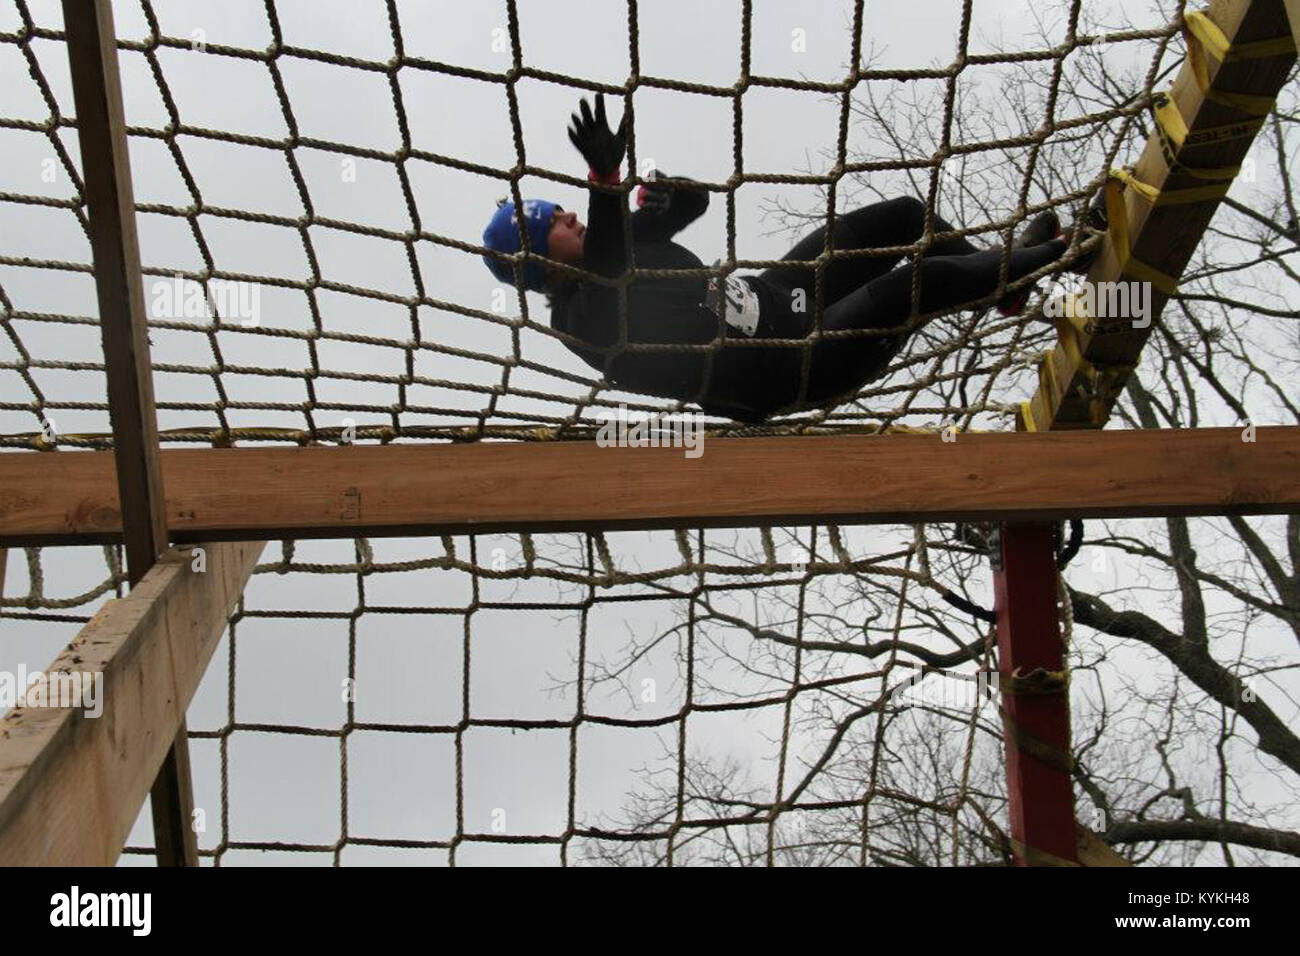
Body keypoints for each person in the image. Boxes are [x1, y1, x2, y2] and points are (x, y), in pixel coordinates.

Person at [481, 94, 1103, 423]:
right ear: (539, 263)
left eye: (563, 207)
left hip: (777, 300)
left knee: (901, 218)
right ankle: (1063, 254)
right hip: (788, 368)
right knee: (919, 282)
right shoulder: (579, 319)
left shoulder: (619, 238)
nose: (568, 215)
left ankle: (1006, 286)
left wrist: (671, 192)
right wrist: (604, 175)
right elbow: (612, 273)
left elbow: (691, 208)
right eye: (551, 223)